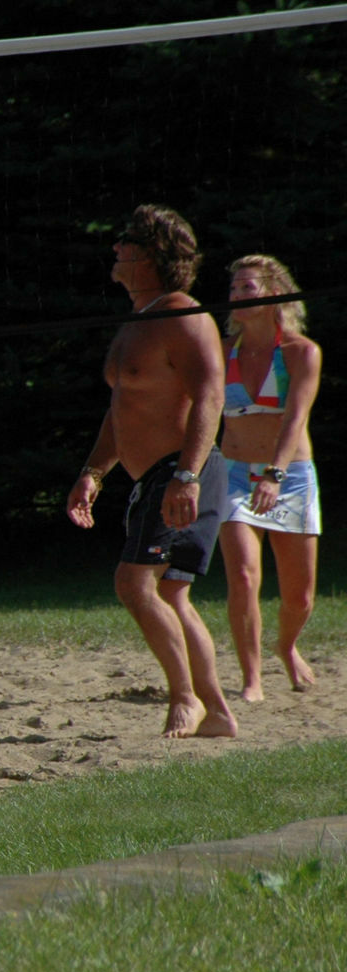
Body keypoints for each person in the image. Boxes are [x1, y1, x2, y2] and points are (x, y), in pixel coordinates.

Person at [67, 205, 238, 739]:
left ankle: (184, 697)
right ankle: (218, 713)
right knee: (168, 595)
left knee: (134, 583)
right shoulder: (137, 323)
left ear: (152, 256)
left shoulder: (183, 315)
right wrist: (94, 472)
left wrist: (186, 477)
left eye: (126, 243)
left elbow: (211, 396)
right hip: (154, 476)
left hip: (182, 469)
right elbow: (122, 412)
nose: (115, 250)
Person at [217, 254, 322, 700]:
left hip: (290, 476)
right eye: (235, 288)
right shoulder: (222, 352)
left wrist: (275, 475)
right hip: (235, 474)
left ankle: (287, 645)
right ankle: (251, 680)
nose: (238, 296)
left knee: (299, 597)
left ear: (275, 293)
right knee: (243, 577)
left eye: (248, 288)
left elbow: (295, 419)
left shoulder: (301, 352)